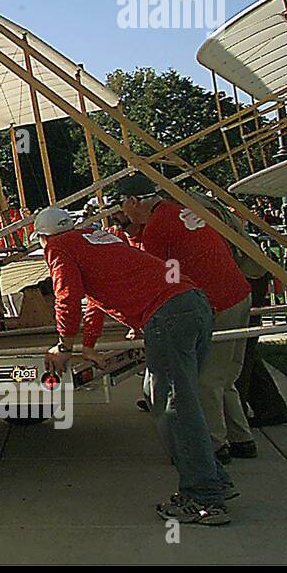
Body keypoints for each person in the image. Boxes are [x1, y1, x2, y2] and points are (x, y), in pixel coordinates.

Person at [35, 206, 234, 525]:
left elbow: (67, 295)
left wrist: (63, 345)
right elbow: (95, 302)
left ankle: (204, 498)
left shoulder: (59, 247)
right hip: (193, 302)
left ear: (43, 238)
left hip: (168, 314)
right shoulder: (93, 237)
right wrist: (87, 346)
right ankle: (214, 479)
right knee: (169, 399)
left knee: (175, 407)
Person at [114, 174, 255, 464]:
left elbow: (156, 278)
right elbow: (175, 264)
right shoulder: (179, 210)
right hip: (239, 294)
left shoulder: (157, 226)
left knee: (205, 380)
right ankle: (243, 439)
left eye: (122, 205)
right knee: (226, 375)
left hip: (219, 302)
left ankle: (216, 446)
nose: (122, 213)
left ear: (133, 201)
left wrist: (139, 322)